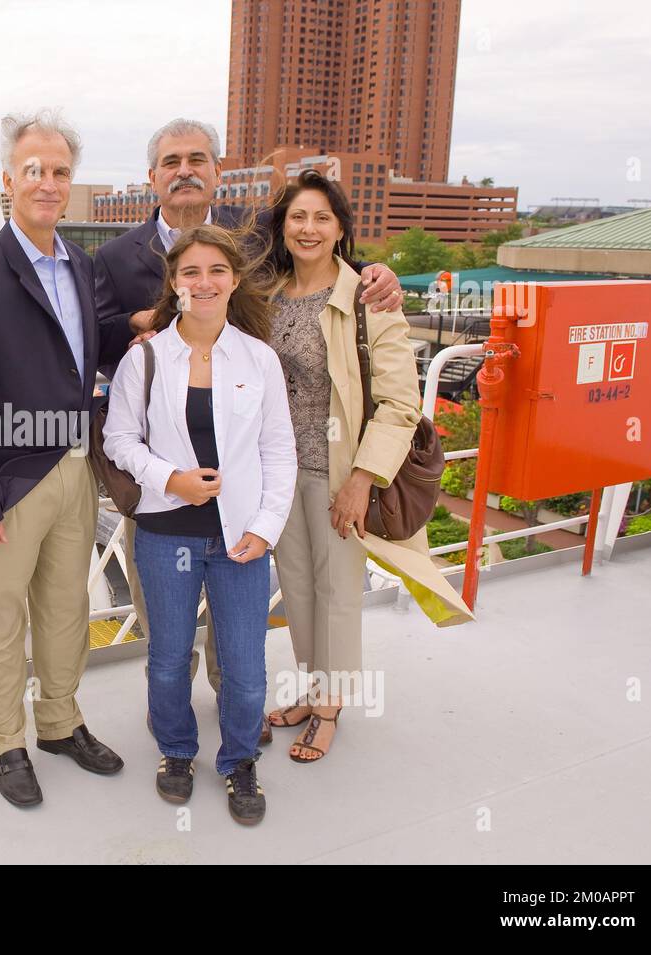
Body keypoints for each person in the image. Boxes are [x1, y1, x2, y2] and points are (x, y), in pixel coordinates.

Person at [94, 118, 402, 727]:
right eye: (172, 161)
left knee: (262, 606)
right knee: (170, 615)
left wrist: (376, 273)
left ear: (217, 170)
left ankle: (243, 706)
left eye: (199, 159)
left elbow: (323, 245)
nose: (186, 170)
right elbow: (101, 345)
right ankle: (171, 709)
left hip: (266, 460)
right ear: (153, 176)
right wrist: (136, 329)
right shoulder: (112, 256)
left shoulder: (259, 231)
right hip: (167, 473)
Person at [0, 110, 139, 808]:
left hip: (75, 470)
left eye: (59, 172)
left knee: (64, 609)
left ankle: (59, 721)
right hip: (7, 478)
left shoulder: (79, 264)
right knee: (1, 618)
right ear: (7, 180)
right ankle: (7, 740)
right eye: (34, 171)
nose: (47, 183)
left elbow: (83, 354)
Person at [261, 170, 473, 763]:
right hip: (281, 469)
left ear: (340, 229)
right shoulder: (269, 291)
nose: (308, 228)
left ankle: (329, 708)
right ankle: (312, 688)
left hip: (340, 472)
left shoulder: (367, 298)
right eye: (298, 217)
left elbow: (402, 401)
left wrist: (362, 479)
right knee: (298, 590)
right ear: (283, 225)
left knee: (337, 592)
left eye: (321, 218)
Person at [103, 224, 296, 824]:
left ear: (234, 280)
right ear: (174, 283)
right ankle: (177, 750)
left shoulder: (259, 358)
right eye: (191, 272)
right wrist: (170, 479)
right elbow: (119, 440)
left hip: (240, 537)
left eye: (216, 271)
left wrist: (265, 527)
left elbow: (278, 450)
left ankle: (239, 760)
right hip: (167, 533)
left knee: (243, 662)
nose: (204, 282)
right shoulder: (148, 358)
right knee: (167, 657)